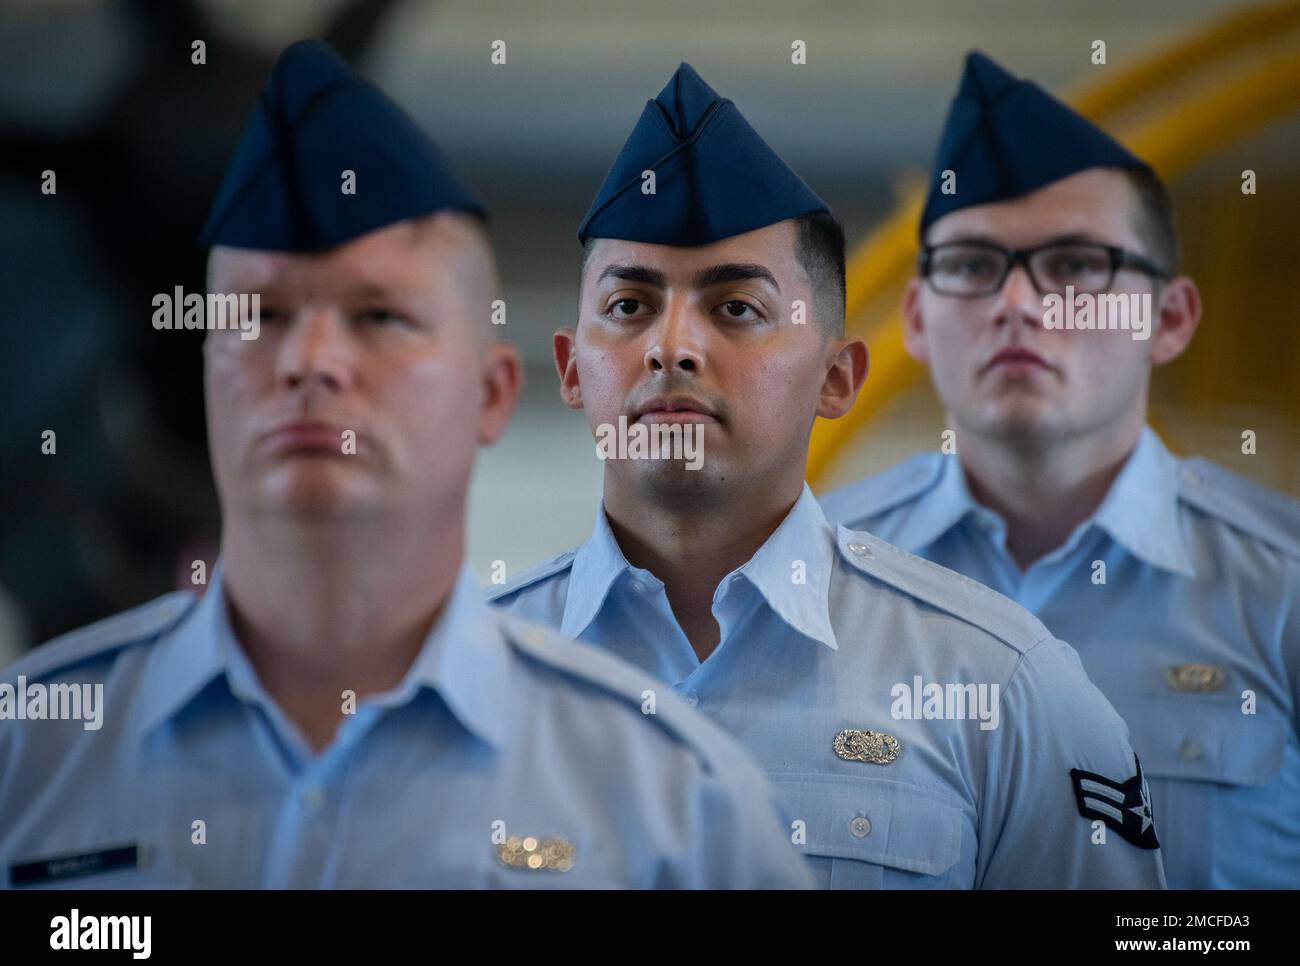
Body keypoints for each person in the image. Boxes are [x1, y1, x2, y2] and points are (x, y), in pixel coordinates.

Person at [0, 40, 811, 890]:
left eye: (378, 316)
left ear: (493, 392)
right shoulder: (31, 758)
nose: (310, 360)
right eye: (263, 314)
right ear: (206, 372)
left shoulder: (677, 813)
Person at [491, 62, 1166, 889]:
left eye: (736, 306)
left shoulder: (1001, 686)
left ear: (837, 376)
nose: (673, 346)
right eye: (629, 306)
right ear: (570, 368)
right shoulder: (456, 685)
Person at [820, 51, 1300, 889]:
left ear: (1171, 317)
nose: (1019, 303)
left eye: (1077, 265)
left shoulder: (1282, 587)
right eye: (971, 266)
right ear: (917, 318)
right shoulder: (807, 583)